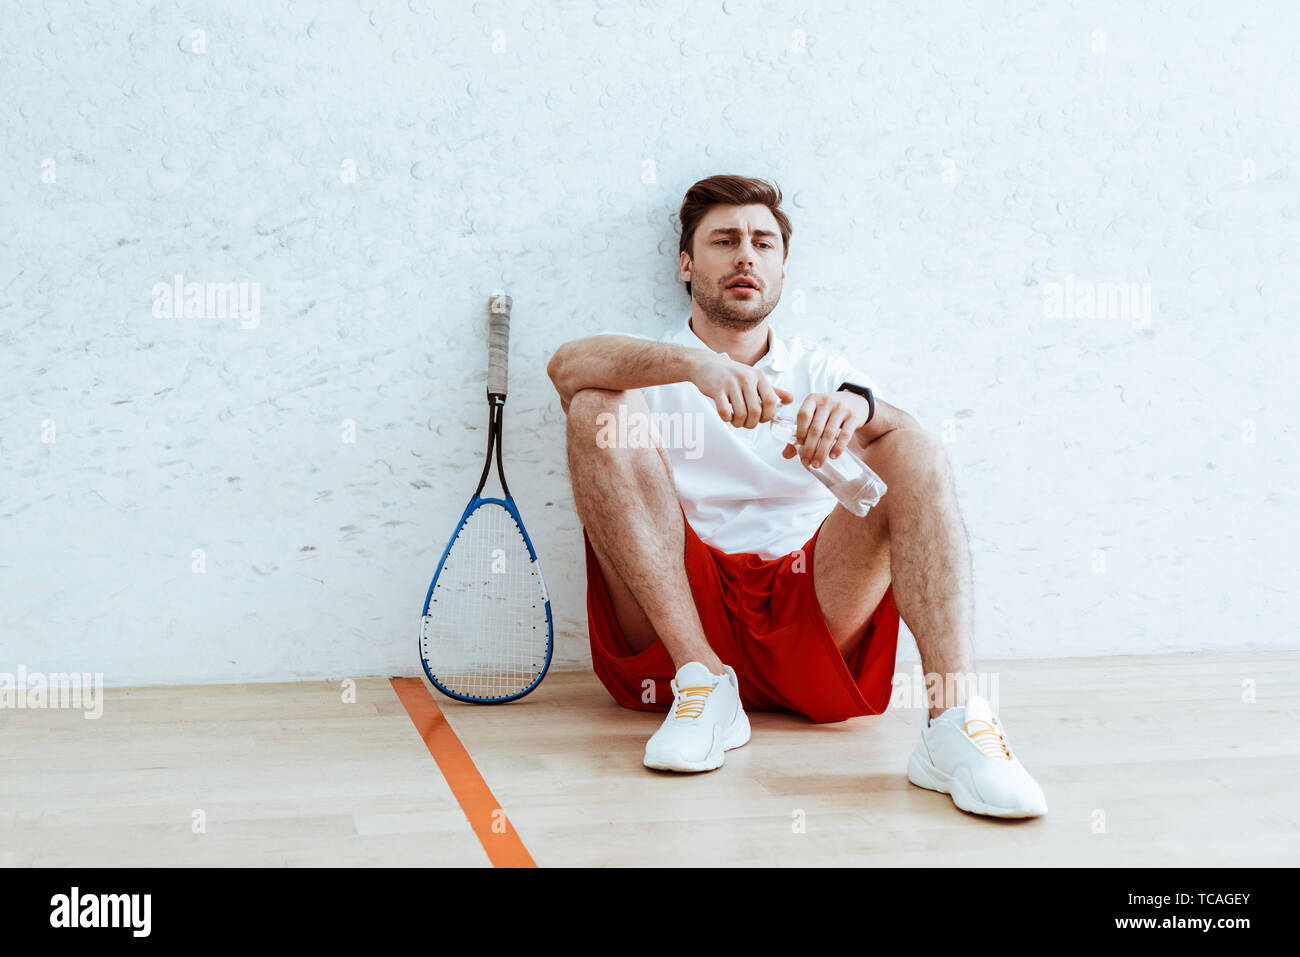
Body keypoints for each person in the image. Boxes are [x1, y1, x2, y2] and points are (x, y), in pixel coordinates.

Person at [547, 174, 1047, 818]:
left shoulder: (821, 368)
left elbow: (903, 438)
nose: (746, 256)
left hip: (806, 601)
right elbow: (567, 365)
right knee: (595, 408)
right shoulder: (651, 363)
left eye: (763, 243)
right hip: (675, 614)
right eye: (724, 240)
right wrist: (699, 367)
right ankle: (704, 684)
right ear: (686, 264)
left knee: (915, 446)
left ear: (782, 270)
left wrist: (856, 408)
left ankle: (955, 725)